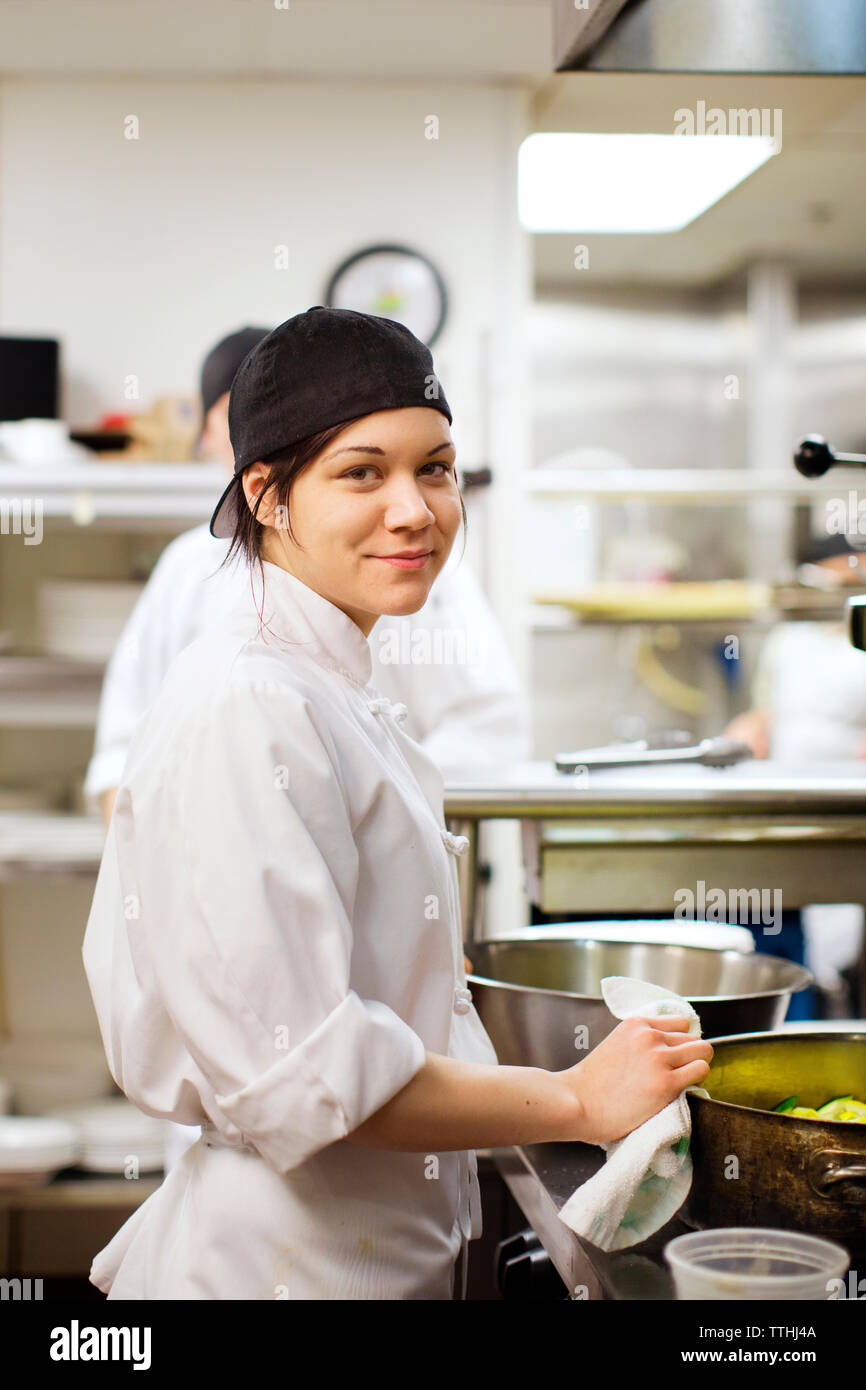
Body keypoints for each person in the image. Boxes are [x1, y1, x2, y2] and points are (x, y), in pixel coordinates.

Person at [81, 307, 712, 1300]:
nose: (414, 508)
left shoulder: (329, 679)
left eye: (436, 467)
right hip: (286, 1269)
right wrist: (576, 1098)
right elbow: (310, 1072)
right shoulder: (248, 703)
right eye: (361, 472)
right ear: (267, 493)